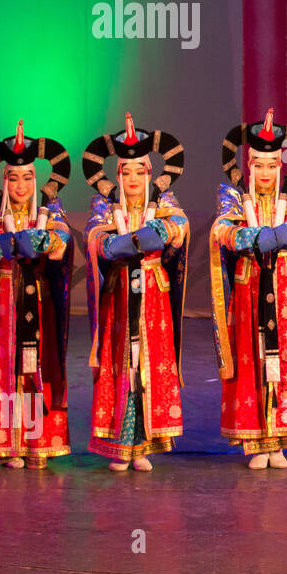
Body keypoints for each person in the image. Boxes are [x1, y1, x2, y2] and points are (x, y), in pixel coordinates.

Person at [210, 109, 287, 469]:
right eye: (258, 165)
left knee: (286, 359)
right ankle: (255, 440)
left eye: (271, 165)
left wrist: (283, 234)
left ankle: (279, 439)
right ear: (248, 166)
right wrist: (253, 237)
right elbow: (223, 231)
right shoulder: (232, 195)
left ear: (282, 164)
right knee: (252, 358)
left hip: (286, 287)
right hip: (249, 287)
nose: (264, 173)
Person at [0, 121, 73, 469]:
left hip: (37, 299)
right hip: (1, 301)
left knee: (35, 366)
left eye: (27, 177)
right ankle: (4, 442)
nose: (21, 185)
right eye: (13, 178)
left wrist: (50, 242)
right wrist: (2, 244)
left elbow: (63, 239)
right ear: (3, 180)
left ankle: (36, 442)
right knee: (1, 367)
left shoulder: (48, 209)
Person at [82, 114, 190, 472]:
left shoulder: (162, 202)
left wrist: (160, 230)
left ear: (149, 175)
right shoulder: (106, 205)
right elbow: (95, 236)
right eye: (125, 172)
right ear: (117, 176)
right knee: (120, 361)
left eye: (139, 173)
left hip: (153, 296)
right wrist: (115, 243)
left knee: (147, 362)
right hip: (119, 295)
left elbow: (180, 226)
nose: (131, 180)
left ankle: (143, 446)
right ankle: (118, 443)